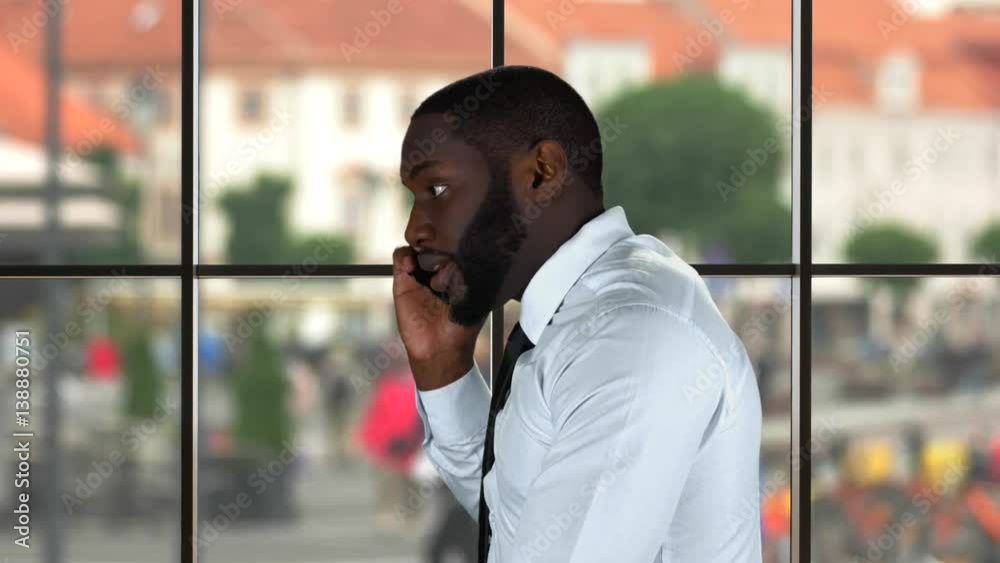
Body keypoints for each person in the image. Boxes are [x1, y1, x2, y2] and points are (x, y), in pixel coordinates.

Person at [392, 65, 763, 562]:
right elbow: (520, 523)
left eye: (436, 190)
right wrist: (445, 369)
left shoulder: (631, 335)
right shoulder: (575, 320)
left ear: (542, 173)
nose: (414, 229)